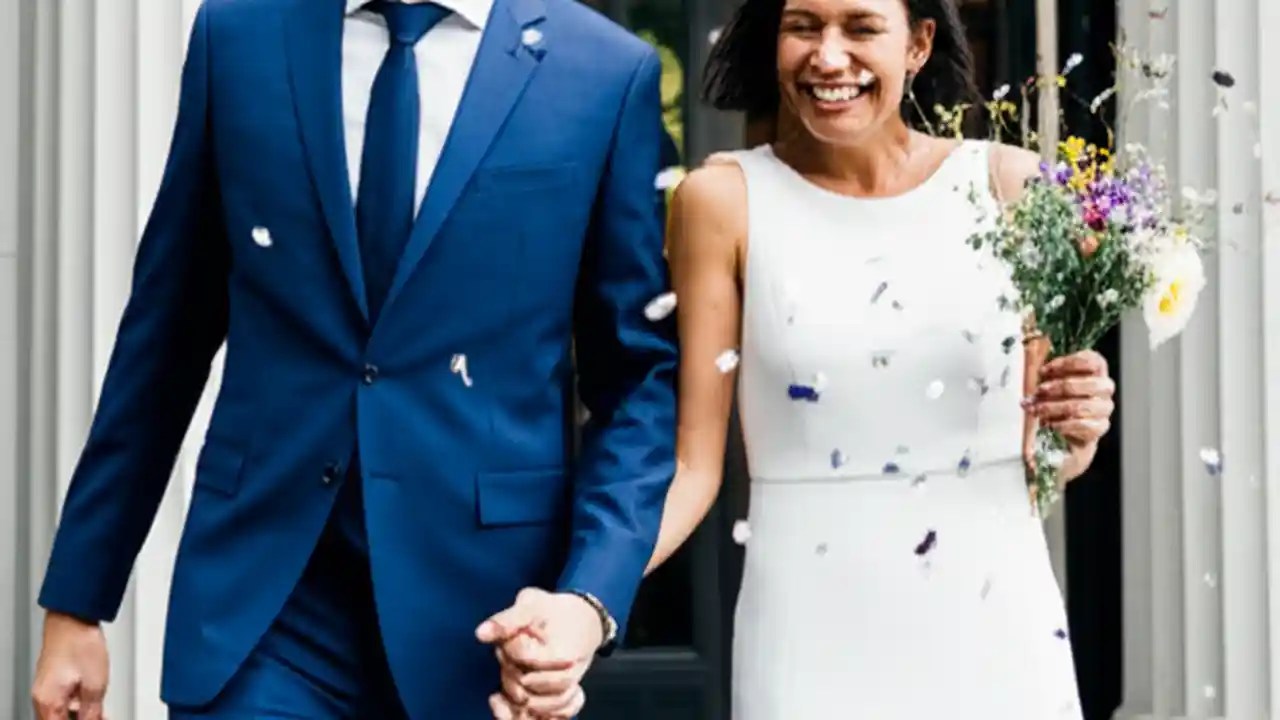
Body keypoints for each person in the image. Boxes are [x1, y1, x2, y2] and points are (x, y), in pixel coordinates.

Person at [29, 0, 677, 718]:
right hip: (263, 613)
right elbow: (165, 333)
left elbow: (636, 384)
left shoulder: (604, 73)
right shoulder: (237, 36)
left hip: (483, 628)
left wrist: (587, 600)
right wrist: (78, 599)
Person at [499, 0, 1117, 717]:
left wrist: (1078, 429)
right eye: (802, 26)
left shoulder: (1013, 187)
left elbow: (1044, 463)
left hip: (996, 624)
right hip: (809, 630)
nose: (827, 56)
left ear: (918, 44)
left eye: (860, 27)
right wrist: (585, 604)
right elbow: (693, 470)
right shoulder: (722, 201)